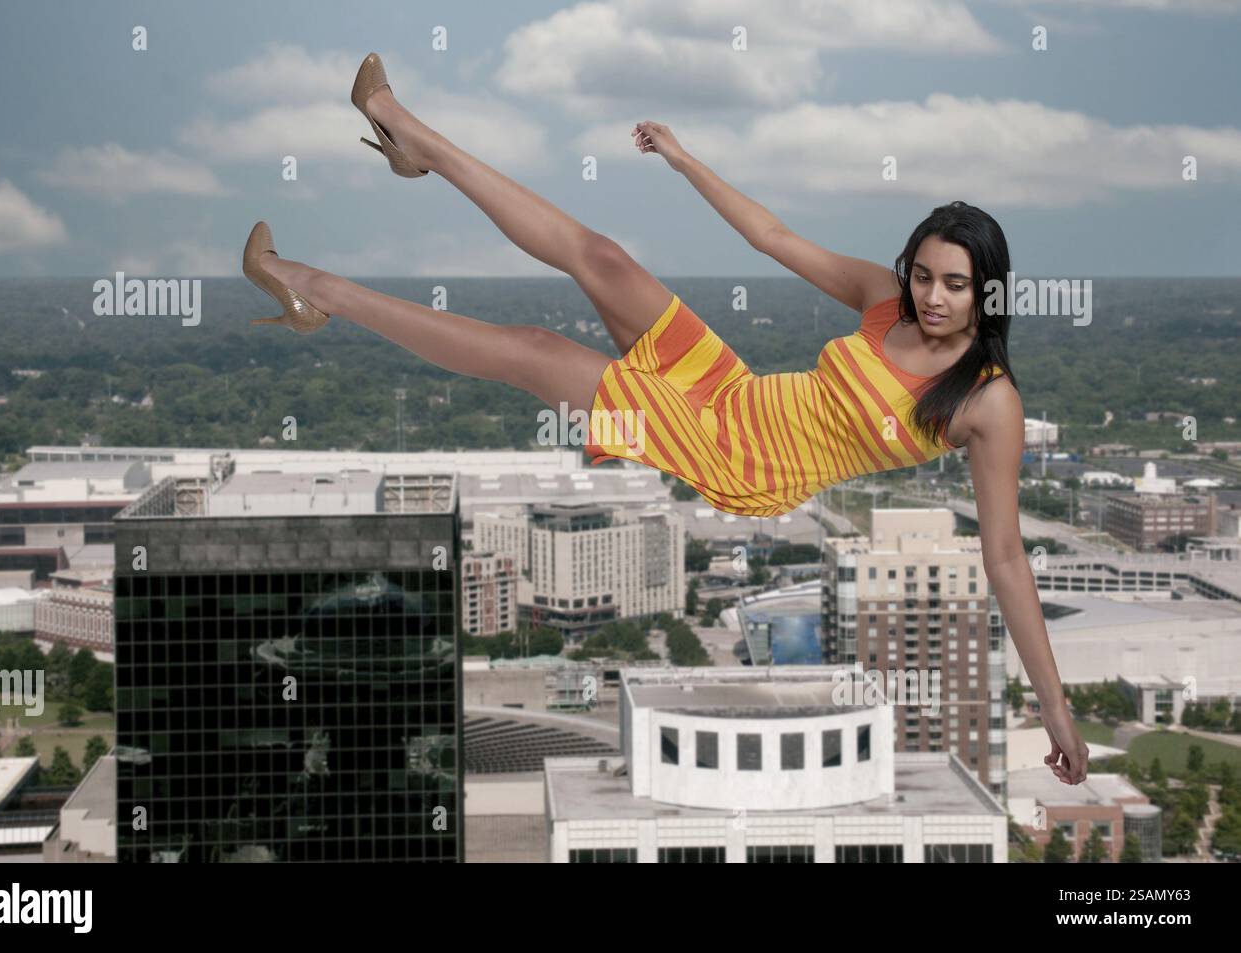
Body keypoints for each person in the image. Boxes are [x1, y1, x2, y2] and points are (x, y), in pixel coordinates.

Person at [243, 53, 1088, 785]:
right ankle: (408, 139)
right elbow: (772, 234)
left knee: (536, 348)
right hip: (738, 394)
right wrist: (687, 160)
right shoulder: (883, 298)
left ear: (988, 290)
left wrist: (1054, 709)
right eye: (927, 275)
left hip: (748, 465)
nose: (934, 297)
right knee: (601, 255)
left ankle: (309, 288)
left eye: (957, 284)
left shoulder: (987, 400)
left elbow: (1006, 557)